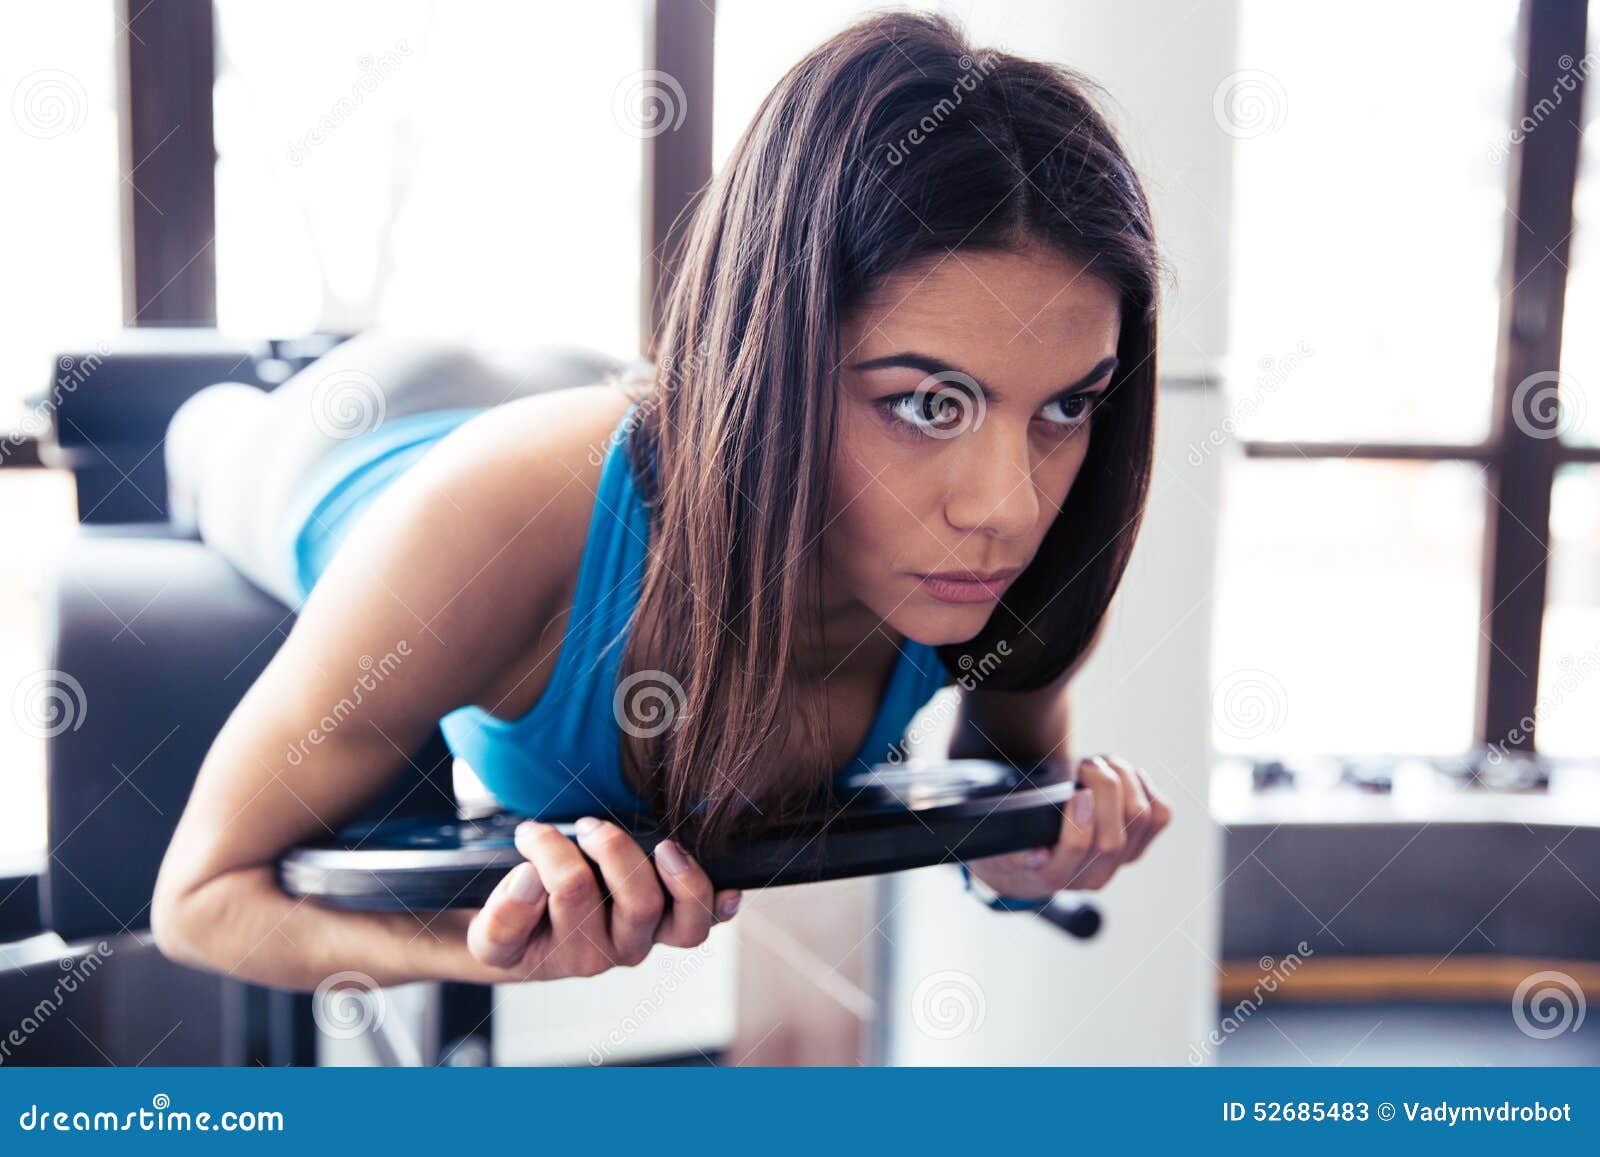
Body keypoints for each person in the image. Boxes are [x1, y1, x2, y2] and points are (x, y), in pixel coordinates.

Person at [151, 10, 1173, 992]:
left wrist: (1019, 859)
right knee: (200, 433)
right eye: (925, 402)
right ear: (775, 358)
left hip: (602, 389)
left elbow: (1000, 776)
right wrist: (484, 946)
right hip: (350, 441)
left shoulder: (1024, 547)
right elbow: (200, 897)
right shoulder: (490, 519)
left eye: (1068, 405)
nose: (1006, 506)